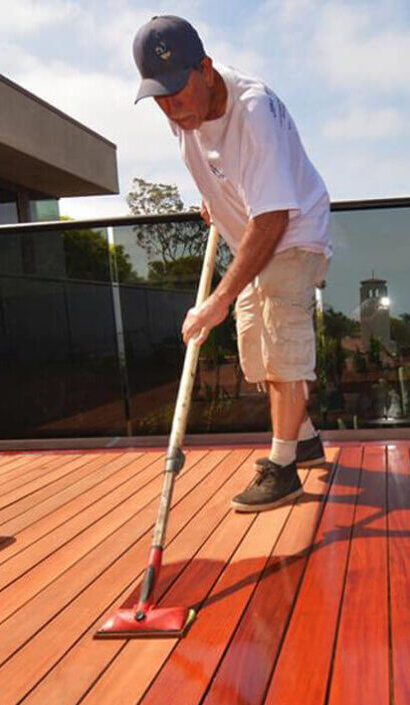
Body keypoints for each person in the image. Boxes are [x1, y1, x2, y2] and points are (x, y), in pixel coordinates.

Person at [132, 15, 331, 512]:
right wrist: (214, 200)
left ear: (205, 68)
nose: (171, 110)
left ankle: (284, 469)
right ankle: (303, 438)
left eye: (177, 94)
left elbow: (272, 218)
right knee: (255, 351)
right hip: (250, 230)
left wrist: (217, 300)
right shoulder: (184, 116)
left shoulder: (253, 110)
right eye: (159, 98)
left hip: (292, 229)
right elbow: (217, 172)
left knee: (283, 342)